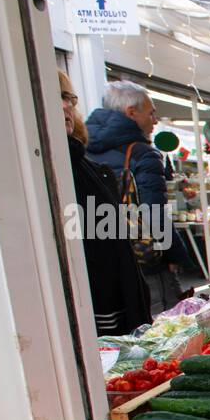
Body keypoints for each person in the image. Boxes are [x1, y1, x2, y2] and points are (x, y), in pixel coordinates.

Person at [60, 71, 151, 335]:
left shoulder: (85, 163)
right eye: (57, 97)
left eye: (68, 97)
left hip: (111, 296)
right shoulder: (51, 170)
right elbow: (153, 209)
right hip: (92, 306)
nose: (66, 106)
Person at [85, 80, 185, 313]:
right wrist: (175, 255)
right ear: (131, 113)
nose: (155, 120)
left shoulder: (84, 150)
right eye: (151, 113)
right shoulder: (142, 154)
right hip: (142, 256)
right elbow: (153, 212)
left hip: (101, 255)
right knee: (165, 321)